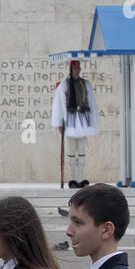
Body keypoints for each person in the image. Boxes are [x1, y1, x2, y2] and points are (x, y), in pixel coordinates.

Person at [51, 59, 99, 189]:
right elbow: (59, 105)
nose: (76, 70)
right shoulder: (64, 85)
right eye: (74, 68)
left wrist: (94, 121)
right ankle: (73, 179)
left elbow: (92, 103)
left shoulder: (86, 84)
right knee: (72, 152)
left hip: (83, 121)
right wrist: (59, 122)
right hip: (70, 121)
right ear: (71, 70)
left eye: (78, 68)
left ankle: (80, 178)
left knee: (82, 151)